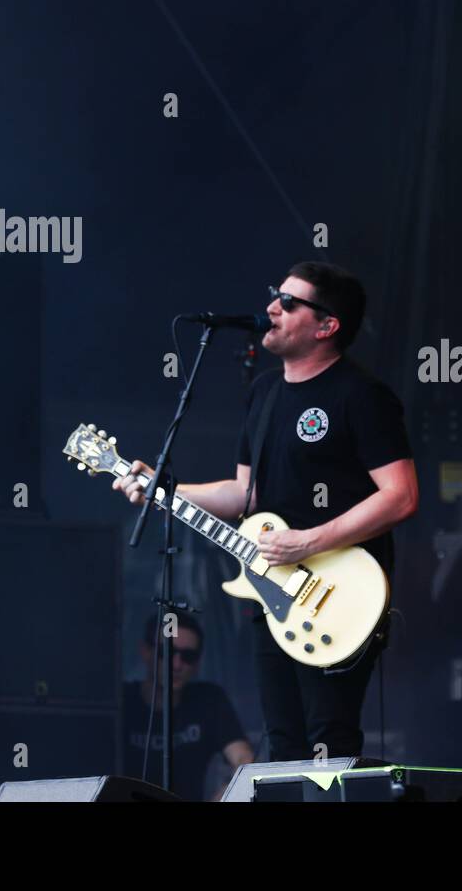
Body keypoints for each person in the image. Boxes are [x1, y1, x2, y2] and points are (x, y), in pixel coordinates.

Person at [113, 262, 418, 762]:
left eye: (290, 302)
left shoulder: (360, 396)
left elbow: (401, 495)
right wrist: (162, 490)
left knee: (330, 742)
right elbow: (244, 495)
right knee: (282, 745)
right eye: (275, 295)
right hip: (274, 593)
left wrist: (310, 541)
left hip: (340, 593)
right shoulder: (265, 393)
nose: (272, 307)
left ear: (327, 326)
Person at [122, 611, 255, 800]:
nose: (177, 664)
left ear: (198, 663)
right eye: (167, 652)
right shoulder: (122, 700)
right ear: (145, 651)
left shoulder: (208, 699)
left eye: (188, 656)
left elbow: (244, 760)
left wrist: (222, 798)